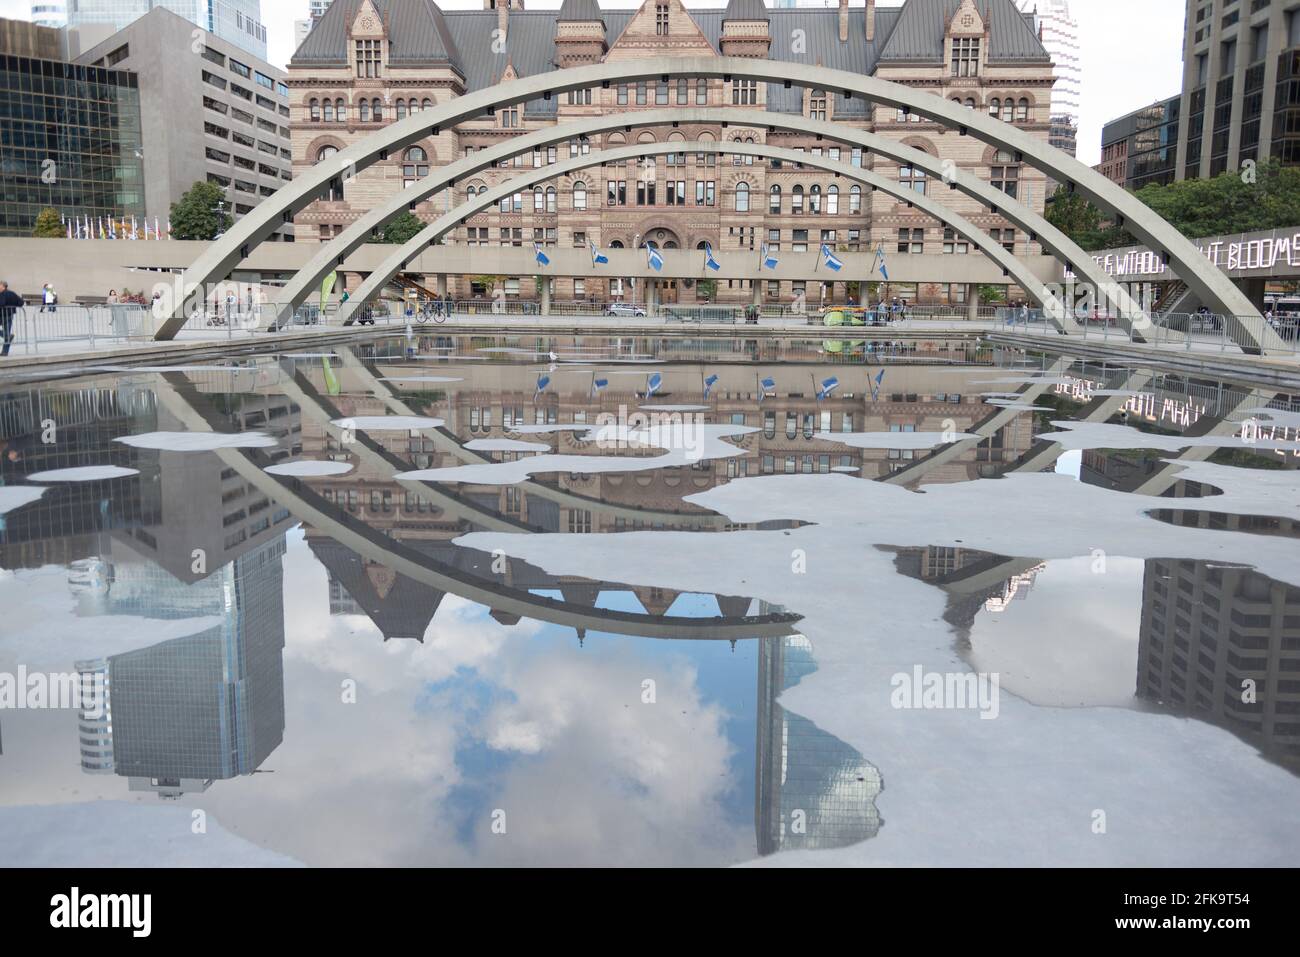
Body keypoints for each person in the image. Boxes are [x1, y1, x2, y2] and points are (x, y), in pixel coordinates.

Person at [0, 281, 24, 357]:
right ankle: (4, 352)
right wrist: (13, 306)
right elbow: (21, 302)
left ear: (3, 286)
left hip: (2, 315)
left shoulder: (2, 294)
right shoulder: (12, 293)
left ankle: (7, 336)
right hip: (10, 315)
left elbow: (2, 303)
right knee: (7, 332)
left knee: (7, 333)